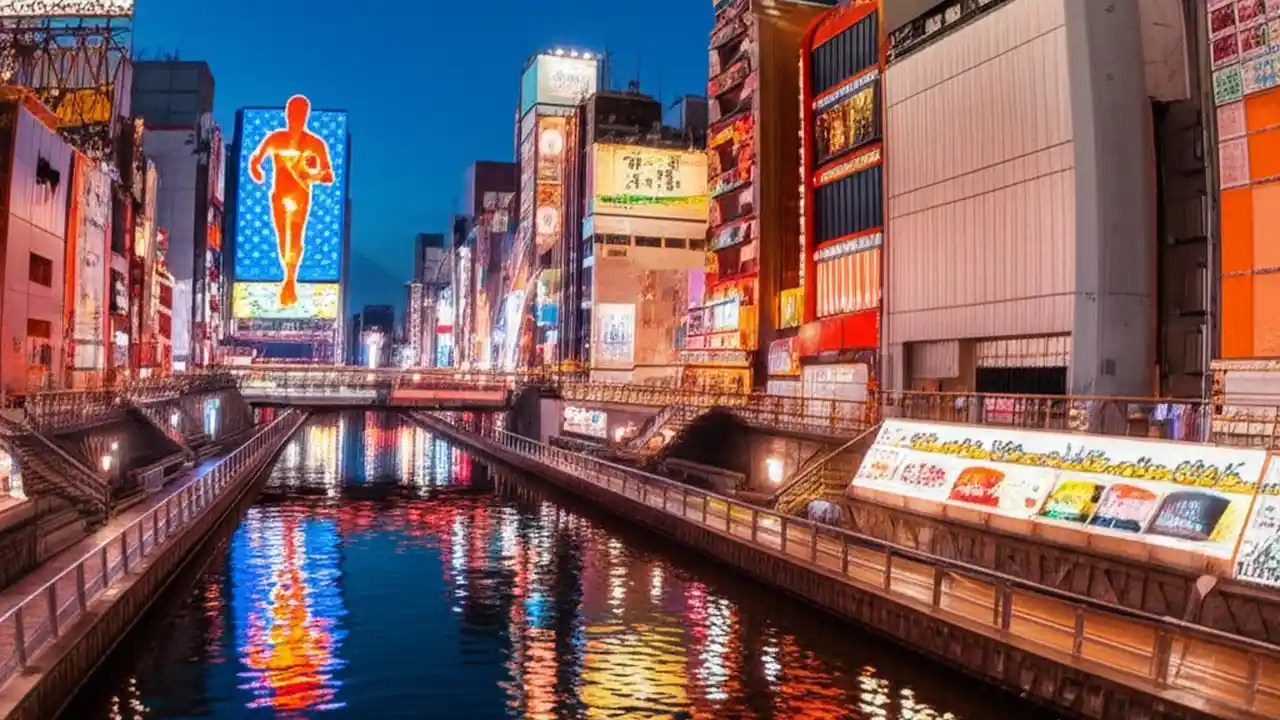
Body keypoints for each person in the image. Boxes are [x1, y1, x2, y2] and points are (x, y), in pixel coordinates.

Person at [248, 95, 335, 307]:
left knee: (294, 237)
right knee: (282, 237)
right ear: (287, 114)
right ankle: (287, 277)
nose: (295, 118)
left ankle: (290, 281)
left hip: (301, 198)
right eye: (292, 114)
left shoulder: (315, 143)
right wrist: (257, 171)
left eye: (300, 114)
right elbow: (256, 159)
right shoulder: (276, 138)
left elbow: (328, 174)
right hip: (278, 197)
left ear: (306, 116)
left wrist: (310, 173)